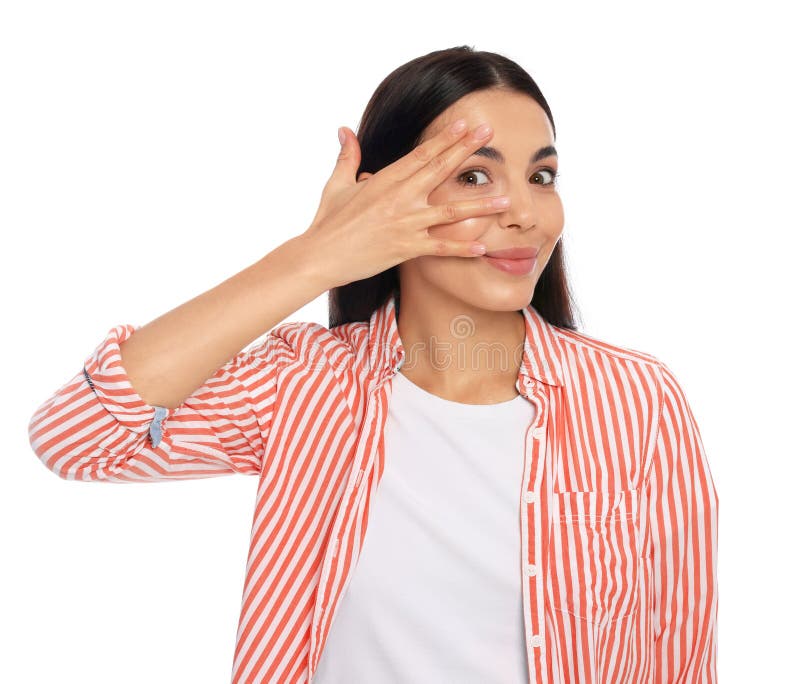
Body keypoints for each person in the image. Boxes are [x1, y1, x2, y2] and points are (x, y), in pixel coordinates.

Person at [27, 46, 719, 683]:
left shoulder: (636, 401)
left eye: (542, 175)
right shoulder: (304, 386)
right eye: (474, 175)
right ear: (380, 199)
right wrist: (317, 256)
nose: (524, 213)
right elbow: (77, 436)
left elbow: (679, 655)